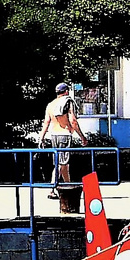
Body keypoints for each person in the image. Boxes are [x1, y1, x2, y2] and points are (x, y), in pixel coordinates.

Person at [42, 82, 87, 212]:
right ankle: (52, 189)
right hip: (64, 134)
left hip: (53, 135)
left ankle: (68, 186)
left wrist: (42, 137)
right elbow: (73, 121)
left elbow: (46, 122)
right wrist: (82, 137)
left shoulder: (50, 105)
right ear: (66, 91)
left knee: (63, 164)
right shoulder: (68, 102)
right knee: (61, 163)